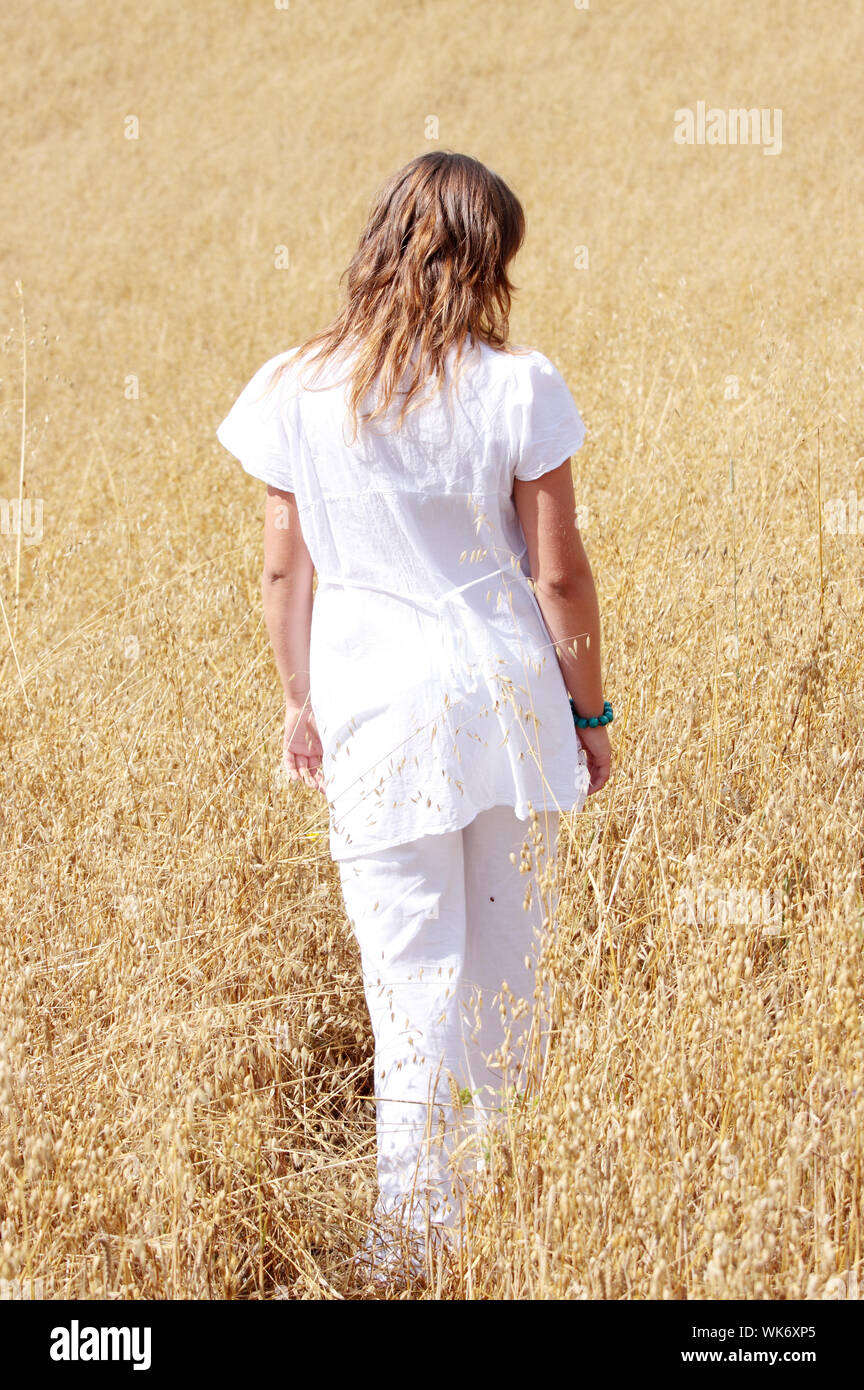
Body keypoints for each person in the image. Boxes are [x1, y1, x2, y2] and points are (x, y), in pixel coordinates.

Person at [216, 150, 612, 1285]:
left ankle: (408, 1245)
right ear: (489, 260)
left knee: (405, 980)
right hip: (505, 704)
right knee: (504, 969)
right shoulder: (518, 383)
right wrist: (590, 712)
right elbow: (559, 575)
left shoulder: (293, 387)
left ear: (382, 240)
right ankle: (507, 1225)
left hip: (376, 709)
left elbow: (284, 575)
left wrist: (299, 699)